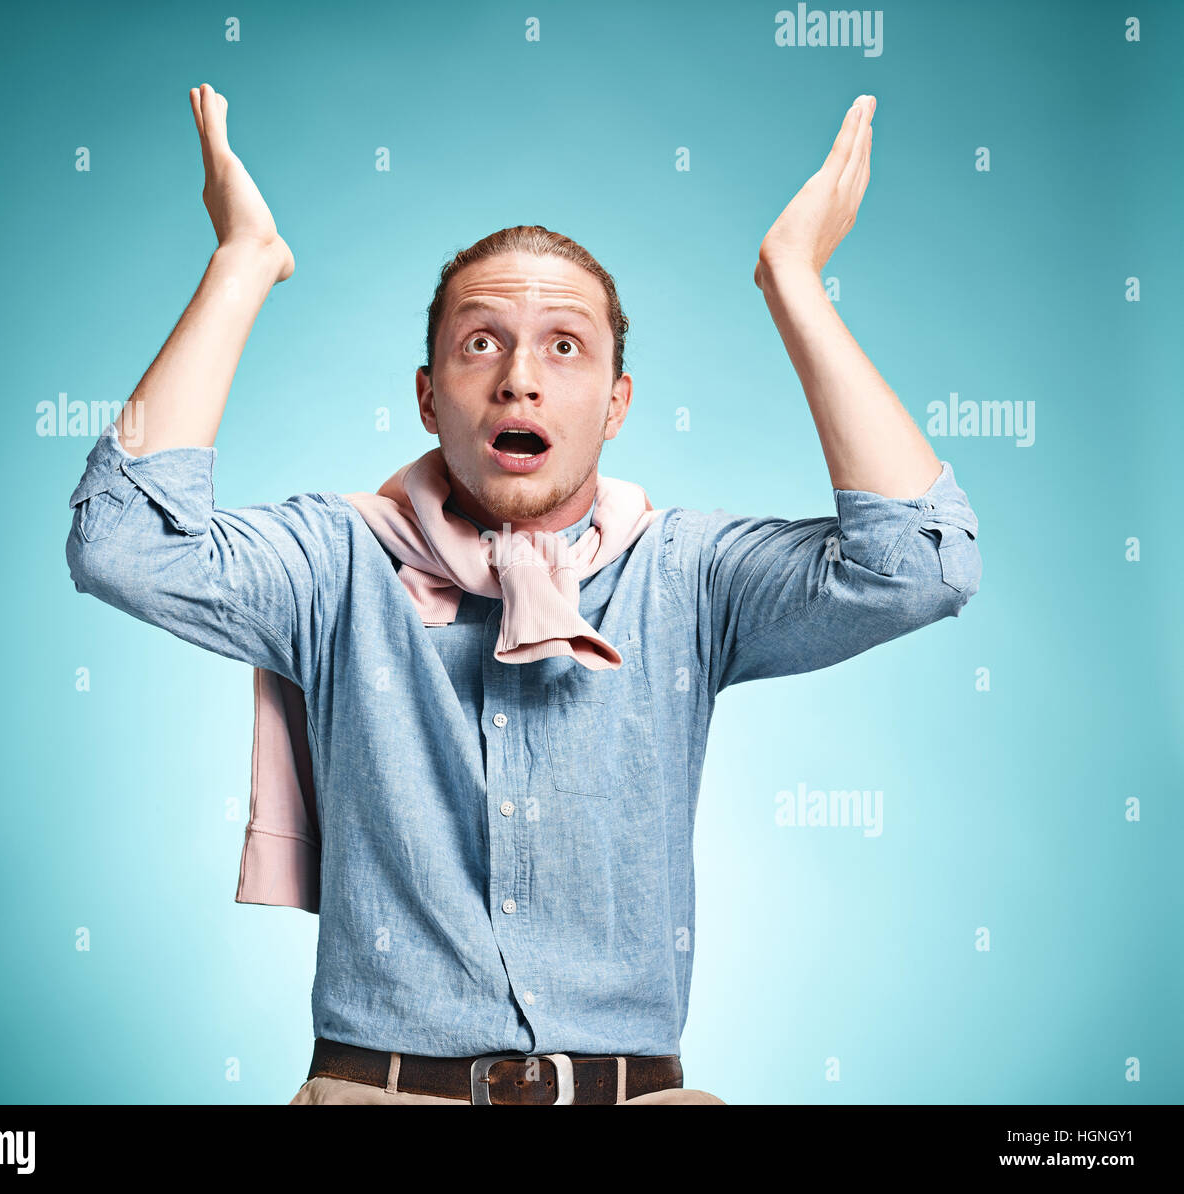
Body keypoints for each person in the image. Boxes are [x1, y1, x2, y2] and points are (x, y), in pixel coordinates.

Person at [65, 84, 981, 1106]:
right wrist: (241, 265)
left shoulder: (687, 575)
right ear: (427, 395)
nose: (519, 381)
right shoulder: (334, 563)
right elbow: (124, 546)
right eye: (480, 342)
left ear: (615, 405)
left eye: (564, 346)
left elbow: (920, 565)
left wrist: (793, 282)